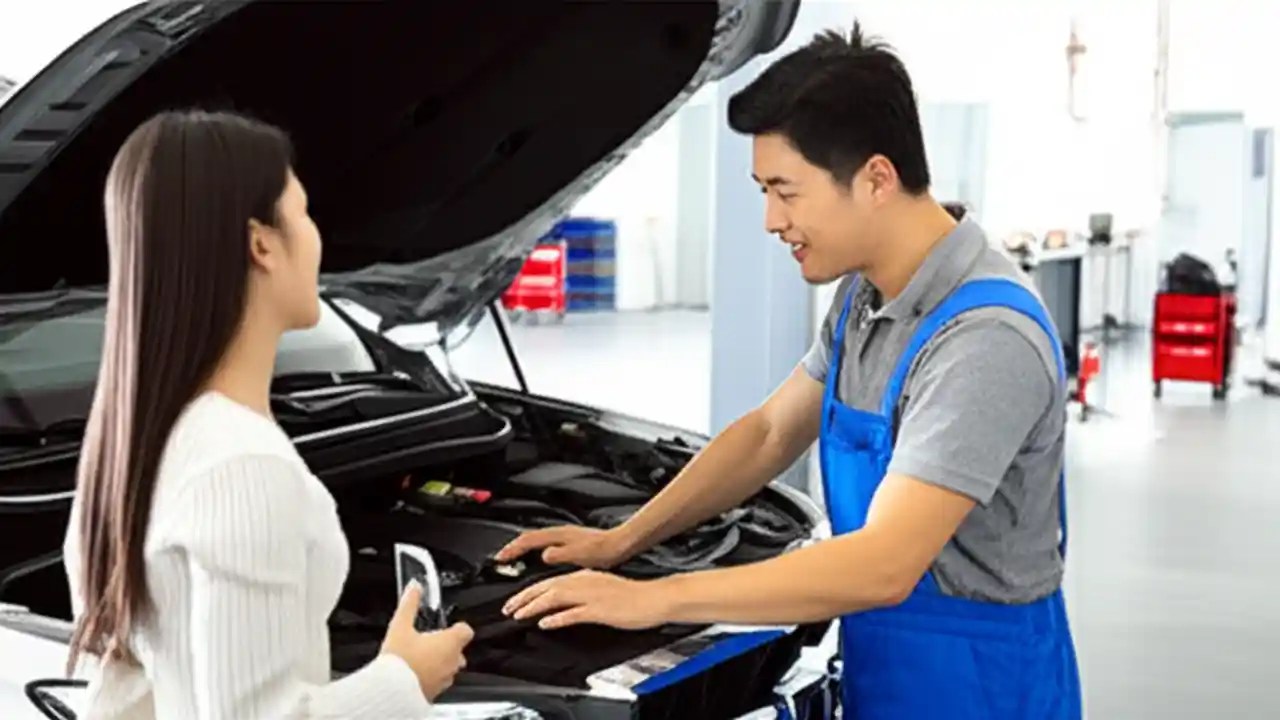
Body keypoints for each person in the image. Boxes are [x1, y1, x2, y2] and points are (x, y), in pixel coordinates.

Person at [497, 22, 1083, 719]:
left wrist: (653, 599)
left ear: (875, 179)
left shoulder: (983, 339)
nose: (772, 219)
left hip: (983, 690)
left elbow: (884, 564)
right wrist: (622, 540)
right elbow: (772, 432)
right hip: (890, 670)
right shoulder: (867, 296)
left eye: (786, 190)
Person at [62, 110, 473, 719]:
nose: (316, 237)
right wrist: (403, 680)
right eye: (303, 213)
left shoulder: (137, 446)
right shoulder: (243, 463)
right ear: (261, 244)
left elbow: (123, 700)